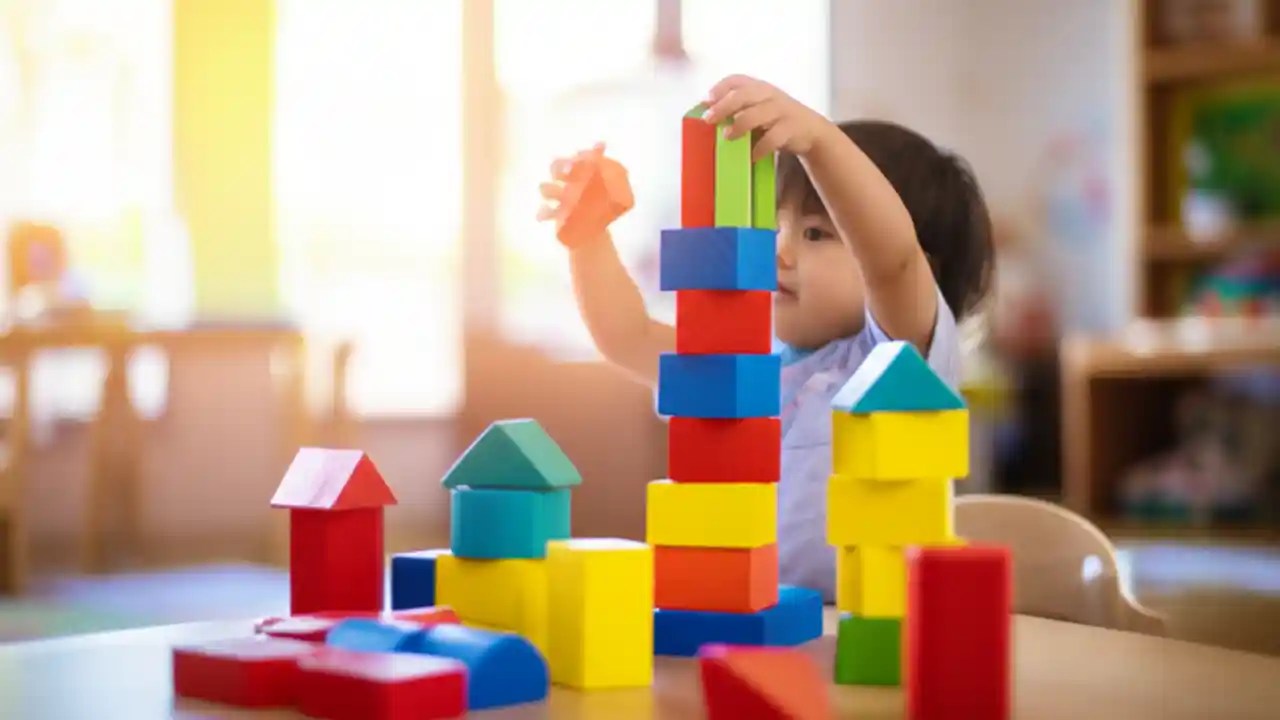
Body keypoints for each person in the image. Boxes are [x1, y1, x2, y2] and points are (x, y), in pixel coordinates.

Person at [536, 74, 993, 599]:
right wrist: (587, 239)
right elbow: (629, 336)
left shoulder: (894, 358)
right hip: (749, 616)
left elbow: (891, 261)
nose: (779, 250)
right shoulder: (749, 363)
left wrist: (819, 142)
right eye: (775, 226)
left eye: (816, 233)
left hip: (863, 624)